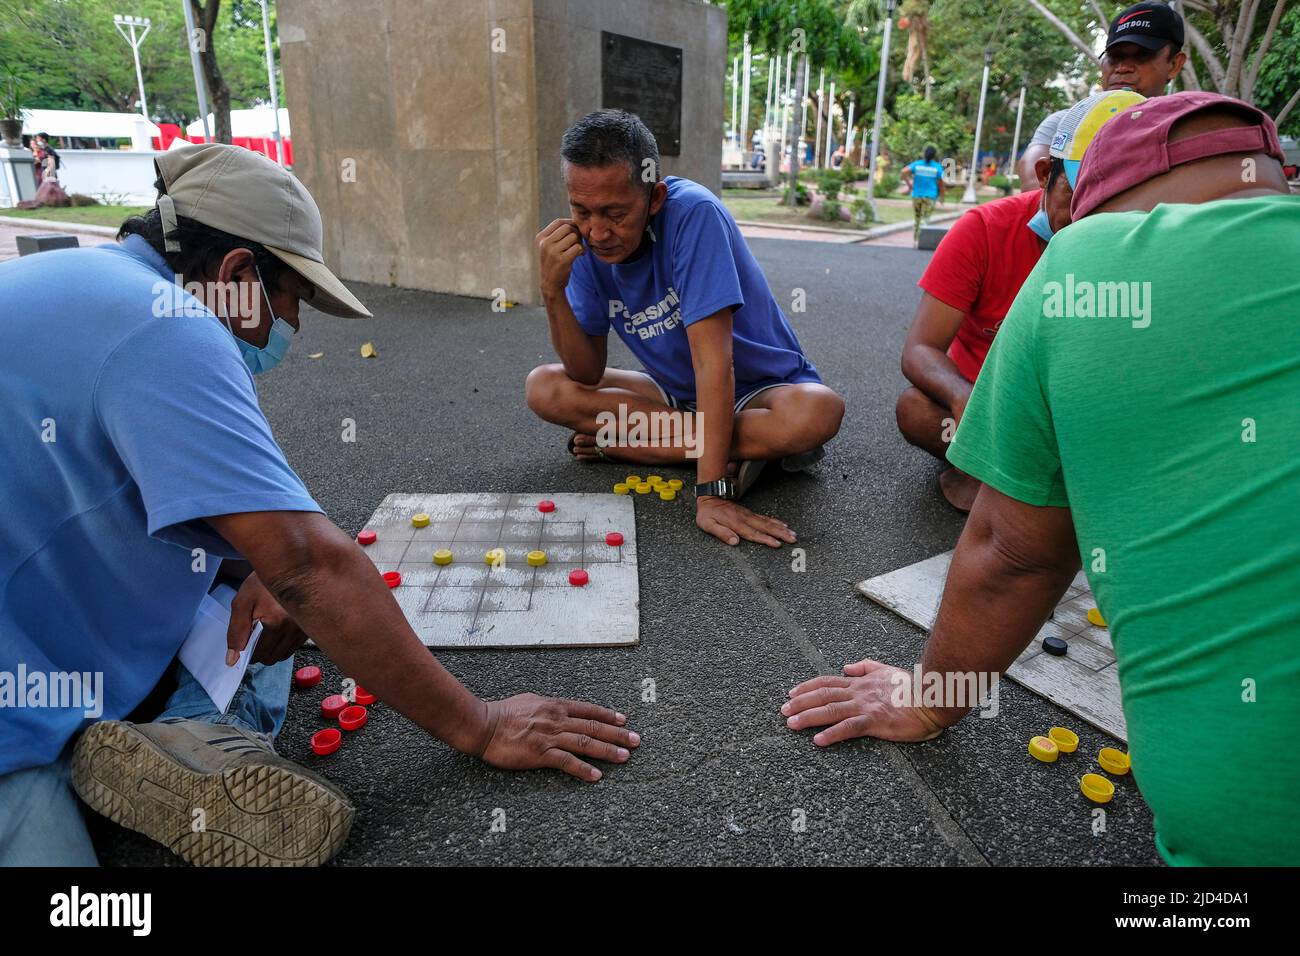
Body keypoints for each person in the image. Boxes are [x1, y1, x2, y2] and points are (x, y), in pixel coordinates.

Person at [0, 144, 639, 868]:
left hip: (44, 614)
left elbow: (195, 509)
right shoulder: (170, 328)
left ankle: (165, 738)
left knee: (271, 611)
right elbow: (309, 565)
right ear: (239, 274)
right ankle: (168, 735)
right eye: (293, 297)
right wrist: (483, 724)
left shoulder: (91, 282)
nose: (293, 325)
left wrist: (259, 565)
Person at [785, 92, 1300, 866]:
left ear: (1107, 195)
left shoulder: (1088, 260)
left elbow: (1016, 555)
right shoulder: (992, 230)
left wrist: (932, 700)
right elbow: (920, 353)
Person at [526, 110, 844, 549]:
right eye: (582, 210)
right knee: (544, 386)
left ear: (654, 198)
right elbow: (584, 371)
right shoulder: (582, 244)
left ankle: (635, 446)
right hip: (676, 393)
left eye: (615, 214)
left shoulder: (694, 214)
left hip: (761, 390)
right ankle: (729, 446)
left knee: (818, 411)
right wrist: (552, 290)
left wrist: (712, 494)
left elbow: (715, 364)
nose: (597, 232)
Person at [896, 91, 1143, 511]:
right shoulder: (982, 229)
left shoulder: (1138, 244)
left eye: (1110, 201)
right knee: (917, 410)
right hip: (989, 405)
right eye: (1079, 195)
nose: (1089, 217)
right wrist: (962, 398)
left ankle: (999, 477)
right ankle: (1030, 478)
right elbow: (920, 350)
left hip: (1076, 413)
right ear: (1046, 173)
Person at [1017, 2, 1185, 189]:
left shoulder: (1188, 126)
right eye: (1115, 57)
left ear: (1174, 65)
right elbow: (1033, 182)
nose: (1123, 68)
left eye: (1142, 56)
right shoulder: (1065, 123)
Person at [899, 145, 946, 246]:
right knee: (925, 218)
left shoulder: (917, 165)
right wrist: (942, 197)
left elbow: (903, 172)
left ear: (924, 153)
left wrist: (909, 184)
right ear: (934, 155)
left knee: (917, 218)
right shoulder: (937, 167)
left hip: (917, 195)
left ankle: (915, 240)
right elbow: (941, 184)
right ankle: (922, 240)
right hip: (930, 197)